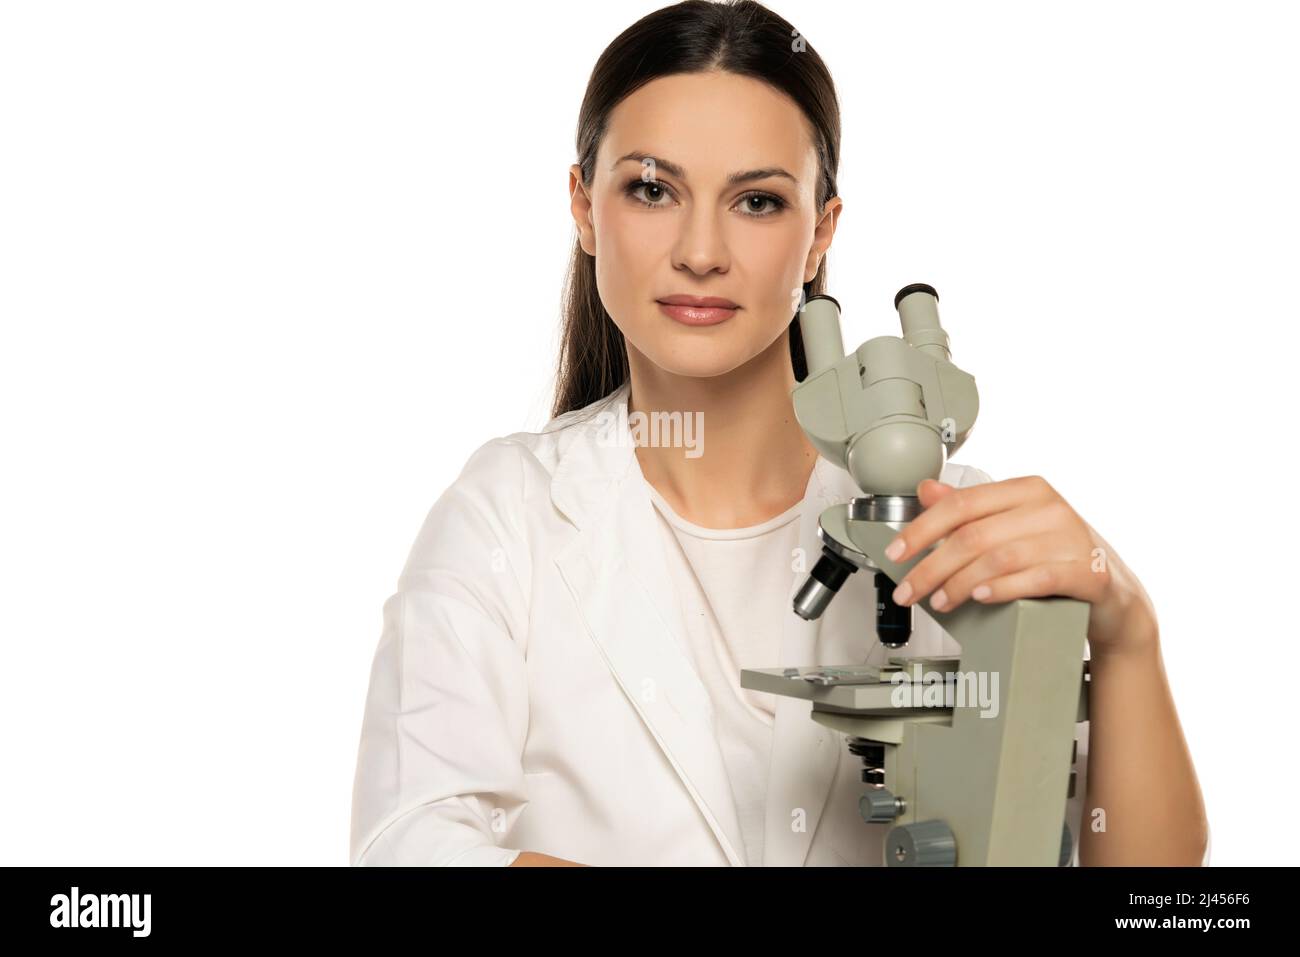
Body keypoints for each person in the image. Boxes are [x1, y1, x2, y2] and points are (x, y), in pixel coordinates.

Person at [349, 0, 1209, 867]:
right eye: (652, 188)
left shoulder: (954, 524)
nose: (700, 250)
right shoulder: (508, 515)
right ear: (582, 206)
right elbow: (408, 842)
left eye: (757, 201)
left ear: (819, 234)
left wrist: (1127, 632)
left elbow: (1155, 899)